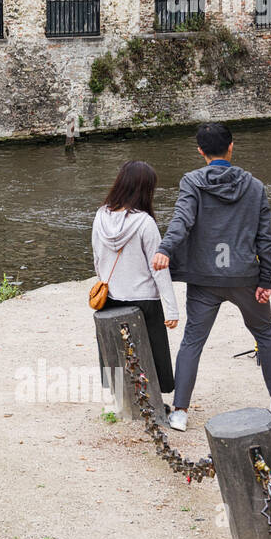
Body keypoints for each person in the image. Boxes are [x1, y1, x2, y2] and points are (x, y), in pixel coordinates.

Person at [152, 122, 271, 431]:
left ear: (200, 151)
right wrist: (266, 280)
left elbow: (182, 219)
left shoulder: (191, 182)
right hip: (245, 276)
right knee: (265, 333)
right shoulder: (255, 187)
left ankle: (179, 411)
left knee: (192, 340)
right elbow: (265, 239)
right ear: (232, 147)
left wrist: (166, 247)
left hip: (204, 277)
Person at [91, 161, 179, 398]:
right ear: (145, 189)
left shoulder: (100, 216)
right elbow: (158, 268)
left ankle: (124, 400)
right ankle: (153, 401)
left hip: (111, 298)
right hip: (144, 301)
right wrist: (171, 309)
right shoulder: (144, 222)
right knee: (151, 356)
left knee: (119, 353)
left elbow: (97, 259)